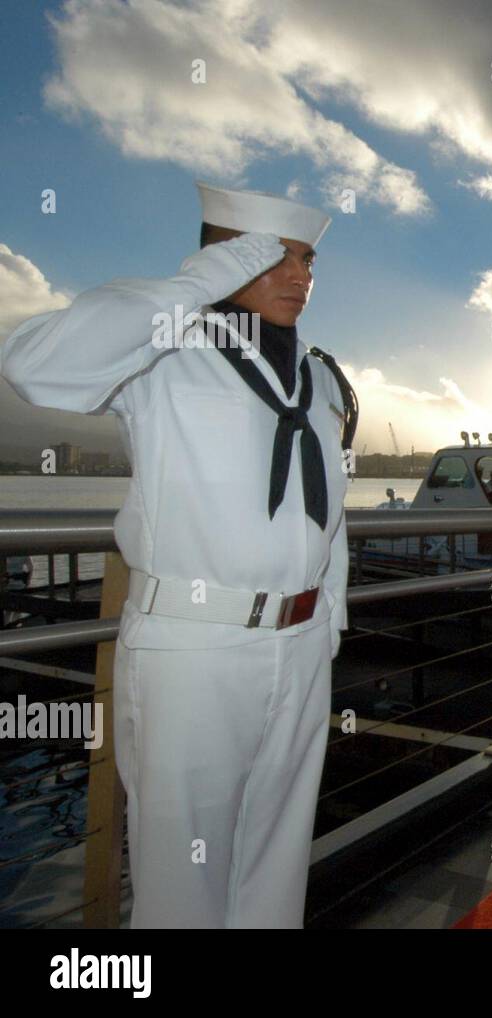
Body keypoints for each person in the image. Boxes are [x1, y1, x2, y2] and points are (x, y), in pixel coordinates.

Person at [1, 181, 356, 928]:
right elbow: (32, 364)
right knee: (181, 883)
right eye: (279, 259)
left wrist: (330, 613)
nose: (303, 279)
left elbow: (323, 508)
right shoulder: (161, 352)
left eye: (310, 263)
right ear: (226, 261)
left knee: (275, 868)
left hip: (298, 645)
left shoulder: (321, 378)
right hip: (193, 647)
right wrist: (195, 287)